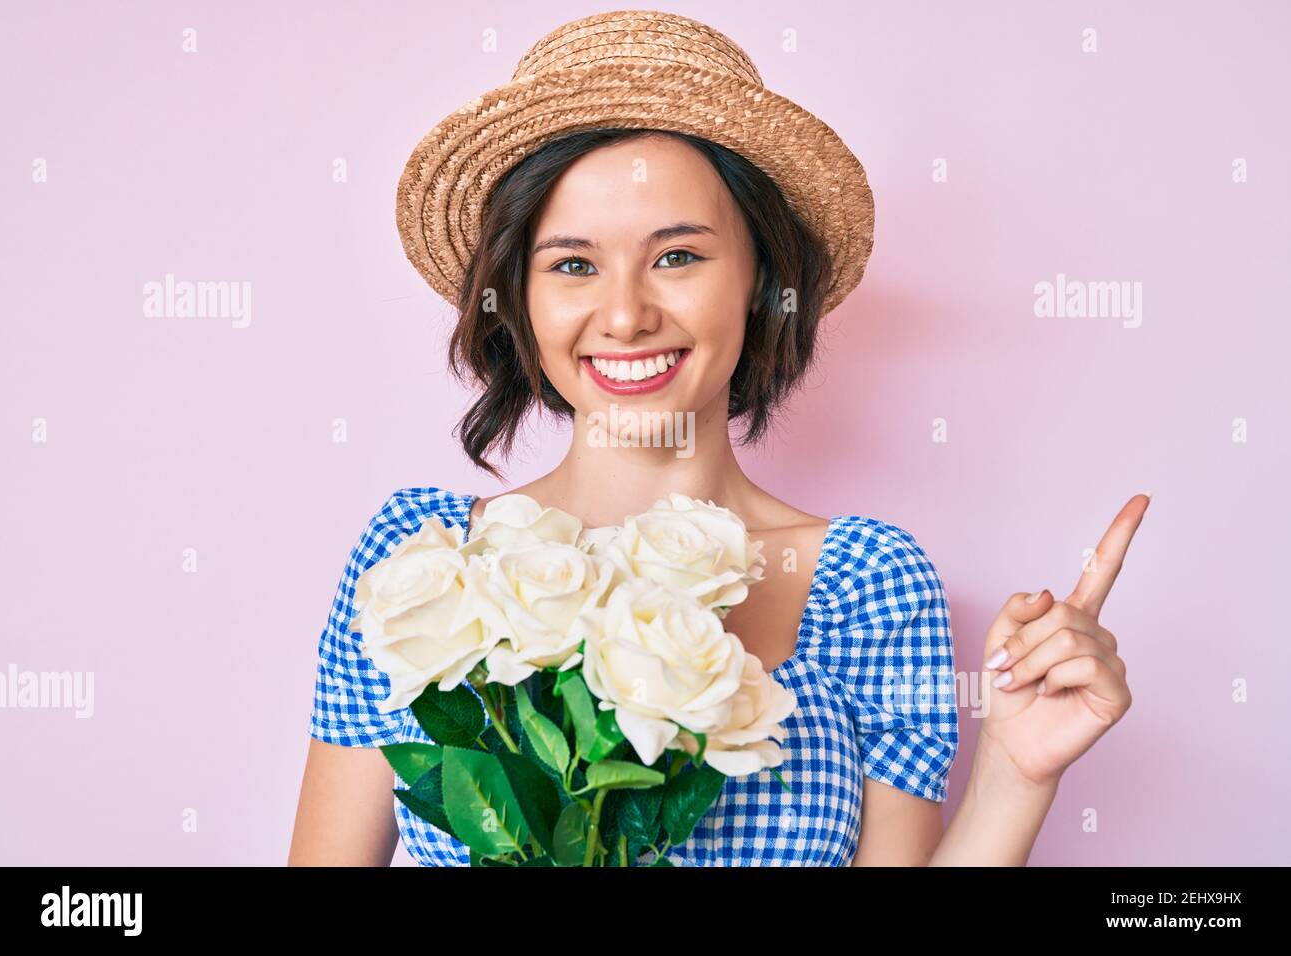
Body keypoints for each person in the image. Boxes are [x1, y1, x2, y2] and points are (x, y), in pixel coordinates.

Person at [288, 10, 1146, 867]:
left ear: (763, 282)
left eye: (678, 257)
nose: (625, 315)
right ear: (518, 299)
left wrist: (1015, 774)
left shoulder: (870, 585)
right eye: (573, 264)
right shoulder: (418, 567)